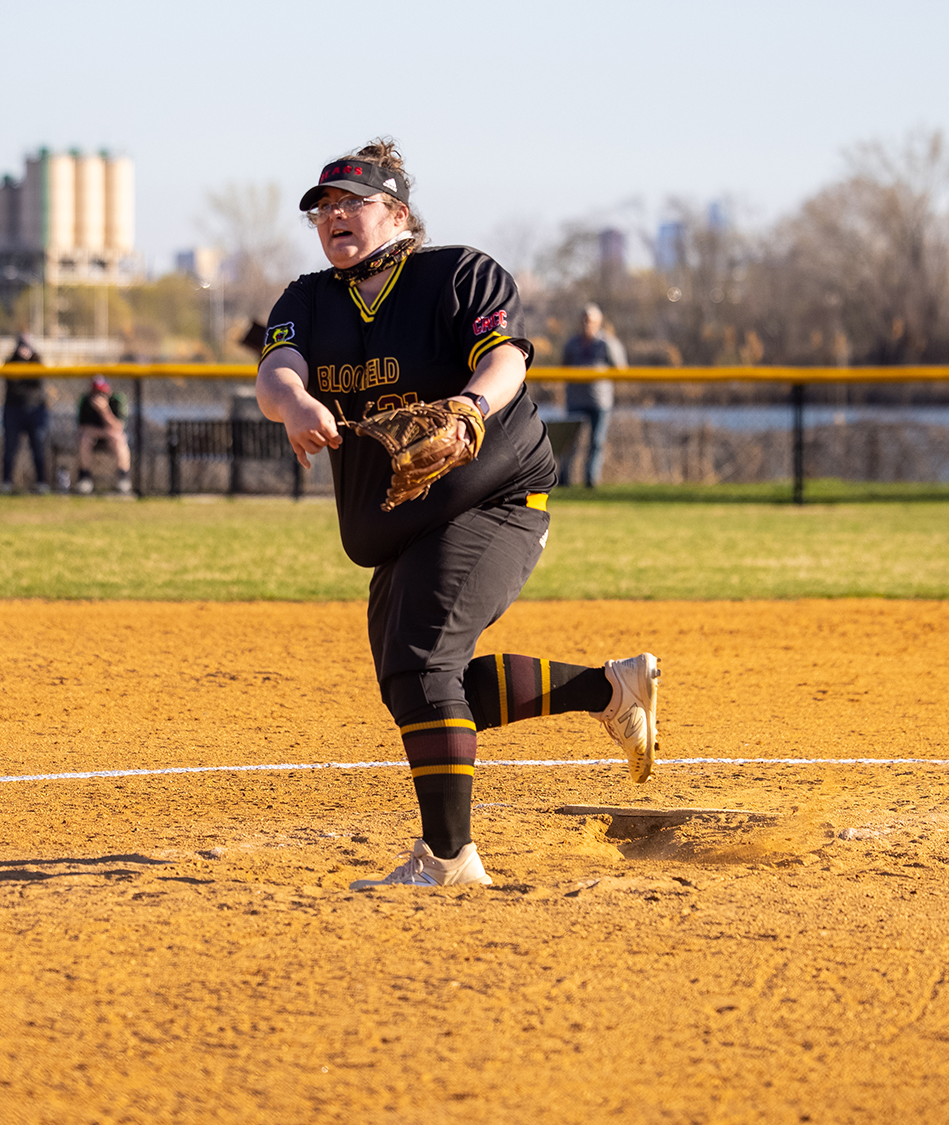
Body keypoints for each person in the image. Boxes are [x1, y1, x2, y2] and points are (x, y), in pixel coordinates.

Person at [254, 139, 661, 890]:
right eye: (323, 208)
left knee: (420, 664)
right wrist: (297, 402)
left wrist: (471, 405)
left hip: (497, 494)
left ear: (398, 213)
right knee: (416, 685)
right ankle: (610, 690)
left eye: (354, 202)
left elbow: (506, 357)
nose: (335, 216)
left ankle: (448, 858)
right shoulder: (308, 298)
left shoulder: (456, 273)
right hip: (407, 514)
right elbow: (276, 370)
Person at [561, 304, 628, 487]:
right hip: (575, 399)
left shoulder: (608, 343)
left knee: (596, 442)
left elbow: (621, 369)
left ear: (599, 322)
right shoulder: (571, 344)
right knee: (570, 441)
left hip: (600, 400)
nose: (586, 324)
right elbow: (563, 367)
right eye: (583, 319)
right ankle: (564, 479)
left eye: (590, 320)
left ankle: (591, 480)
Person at [0, 334, 51, 493]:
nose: (24, 350)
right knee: (10, 448)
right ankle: (6, 482)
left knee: (38, 446)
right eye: (22, 346)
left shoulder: (37, 361)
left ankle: (41, 482)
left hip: (35, 410)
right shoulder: (10, 362)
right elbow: (13, 385)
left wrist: (28, 362)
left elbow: (37, 383)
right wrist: (21, 362)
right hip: (13, 410)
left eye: (27, 347)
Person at [73, 375, 133, 495]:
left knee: (119, 439)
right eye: (97, 392)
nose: (99, 395)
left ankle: (124, 479)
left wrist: (104, 410)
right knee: (84, 438)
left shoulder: (117, 399)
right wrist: (103, 432)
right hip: (93, 437)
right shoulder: (85, 400)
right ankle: (85, 479)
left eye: (102, 392)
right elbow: (82, 427)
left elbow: (118, 428)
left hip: (111, 438)